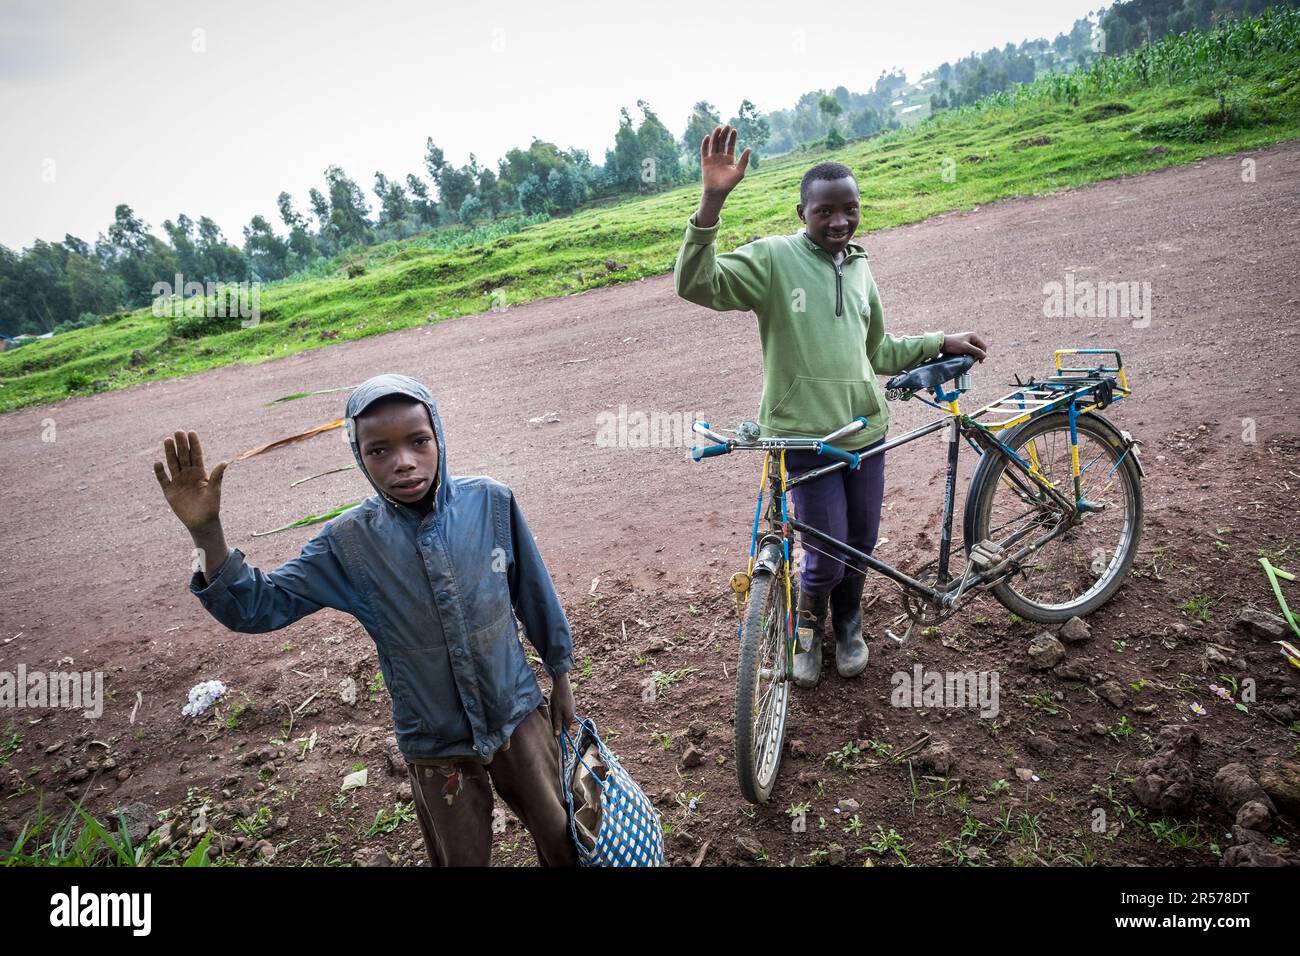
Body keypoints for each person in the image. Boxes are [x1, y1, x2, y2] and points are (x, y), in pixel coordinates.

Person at [153, 372, 578, 866]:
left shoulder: (491, 503)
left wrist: (561, 675)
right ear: (359, 456)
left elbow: (534, 595)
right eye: (379, 450)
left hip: (516, 713)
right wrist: (208, 535)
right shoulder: (348, 544)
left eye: (419, 441)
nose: (403, 462)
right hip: (436, 739)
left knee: (561, 835)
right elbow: (257, 606)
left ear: (438, 435)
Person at [674, 125, 989, 688]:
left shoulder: (861, 265)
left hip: (866, 430)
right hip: (803, 436)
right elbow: (697, 284)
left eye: (850, 209)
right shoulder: (773, 260)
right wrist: (713, 199)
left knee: (860, 543)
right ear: (803, 212)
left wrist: (941, 341)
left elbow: (880, 351)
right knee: (824, 551)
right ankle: (806, 625)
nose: (839, 221)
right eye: (825, 212)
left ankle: (848, 621)